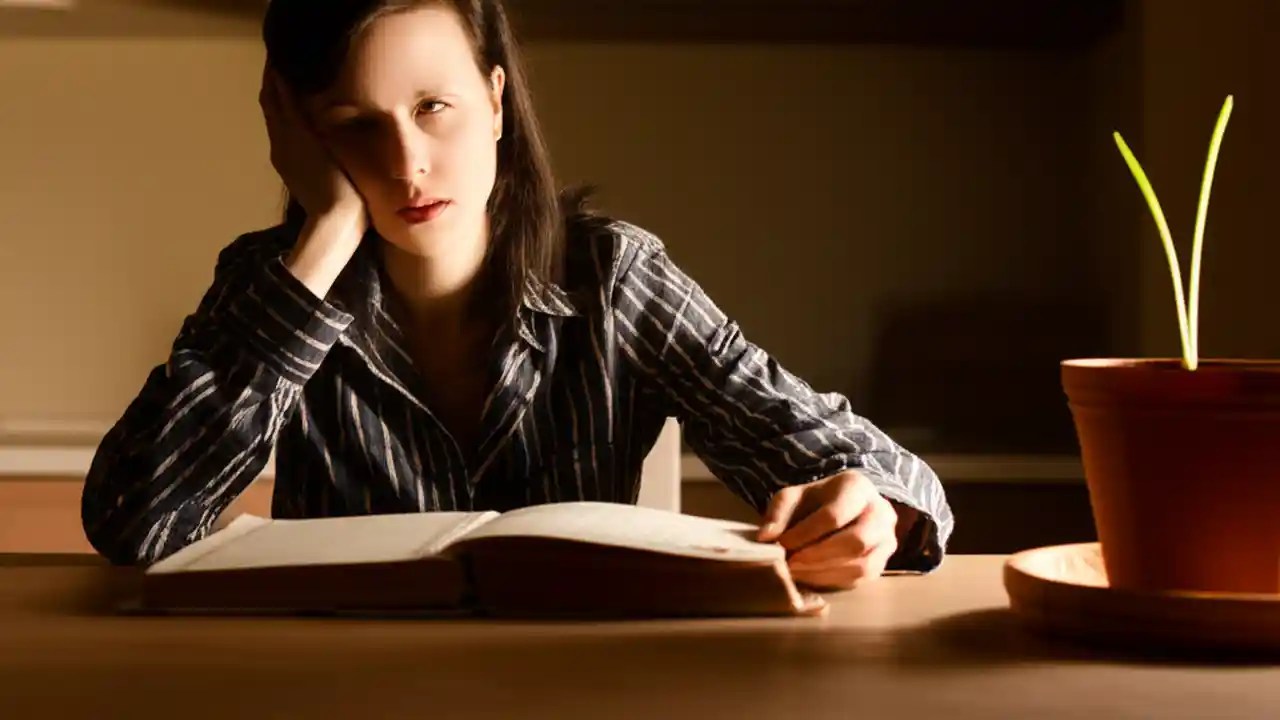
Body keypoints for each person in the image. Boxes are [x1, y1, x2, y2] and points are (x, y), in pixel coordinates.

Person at [81, 0, 954, 590]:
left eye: (434, 107)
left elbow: (880, 474)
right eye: (353, 126)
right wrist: (328, 236)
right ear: (301, 141)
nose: (405, 163)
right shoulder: (272, 285)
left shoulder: (615, 277)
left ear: (496, 103)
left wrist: (871, 507)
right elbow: (132, 522)